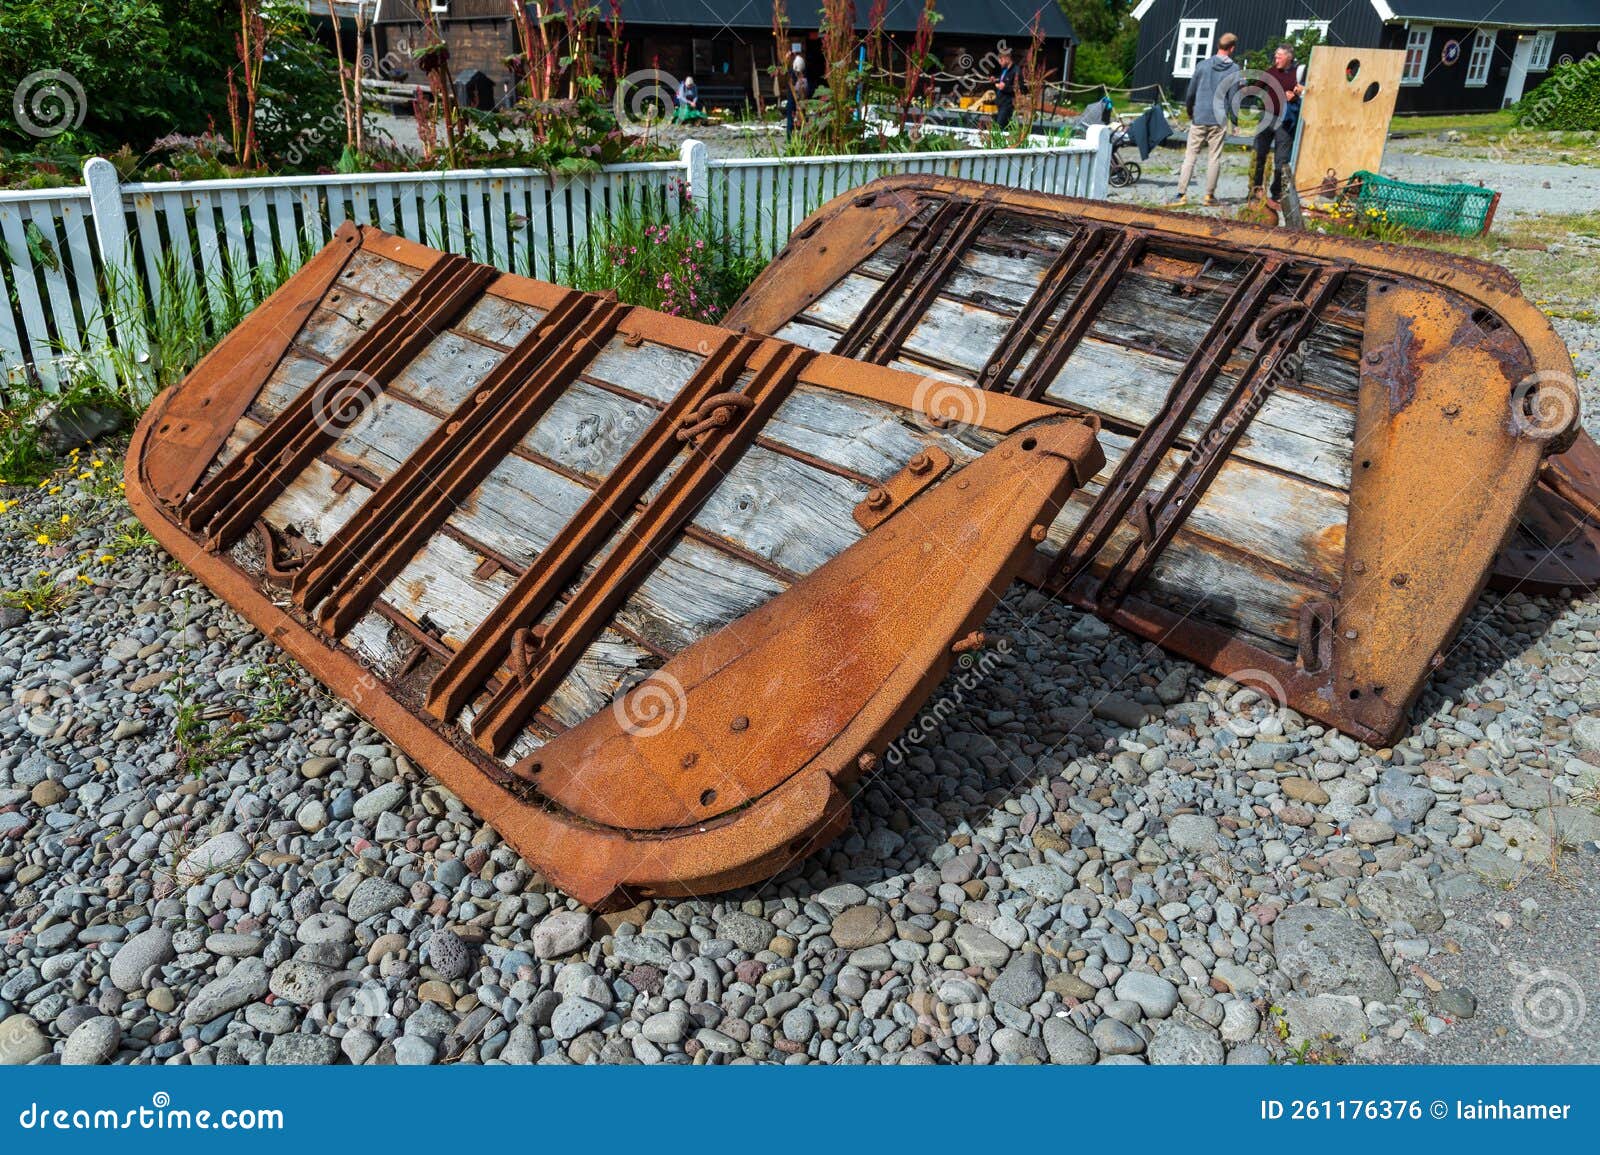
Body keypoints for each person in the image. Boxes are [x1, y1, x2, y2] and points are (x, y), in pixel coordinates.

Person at [1171, 32, 1240, 207]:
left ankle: (1181, 195)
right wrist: (1235, 121)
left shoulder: (1202, 65)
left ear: (1218, 46)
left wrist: (1189, 110)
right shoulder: (1234, 70)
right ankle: (1209, 196)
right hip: (1219, 118)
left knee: (1190, 156)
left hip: (1199, 115)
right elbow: (1233, 98)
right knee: (1214, 158)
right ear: (1232, 48)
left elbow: (1191, 92)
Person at [1251, 43, 1305, 208]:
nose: (1276, 59)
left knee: (1281, 160)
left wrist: (1297, 95)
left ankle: (1276, 195)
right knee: (1260, 154)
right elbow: (1257, 87)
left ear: (1288, 58)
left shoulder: (1298, 73)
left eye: (1279, 57)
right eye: (1275, 56)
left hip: (1285, 120)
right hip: (1267, 118)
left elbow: (1308, 92)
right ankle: (1255, 190)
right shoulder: (1271, 71)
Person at [784, 45, 808, 138]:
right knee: (801, 114)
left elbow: (789, 73)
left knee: (791, 115)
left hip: (794, 92)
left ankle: (790, 138)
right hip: (801, 92)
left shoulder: (797, 61)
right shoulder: (801, 60)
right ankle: (803, 136)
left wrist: (786, 60)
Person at [993, 47, 1018, 130]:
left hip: (1007, 104)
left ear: (1007, 58)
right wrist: (995, 80)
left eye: (1001, 60)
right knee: (999, 126)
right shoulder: (1004, 70)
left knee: (999, 127)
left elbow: (1019, 88)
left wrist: (1005, 88)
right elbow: (1002, 80)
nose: (999, 62)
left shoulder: (1015, 71)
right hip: (1000, 102)